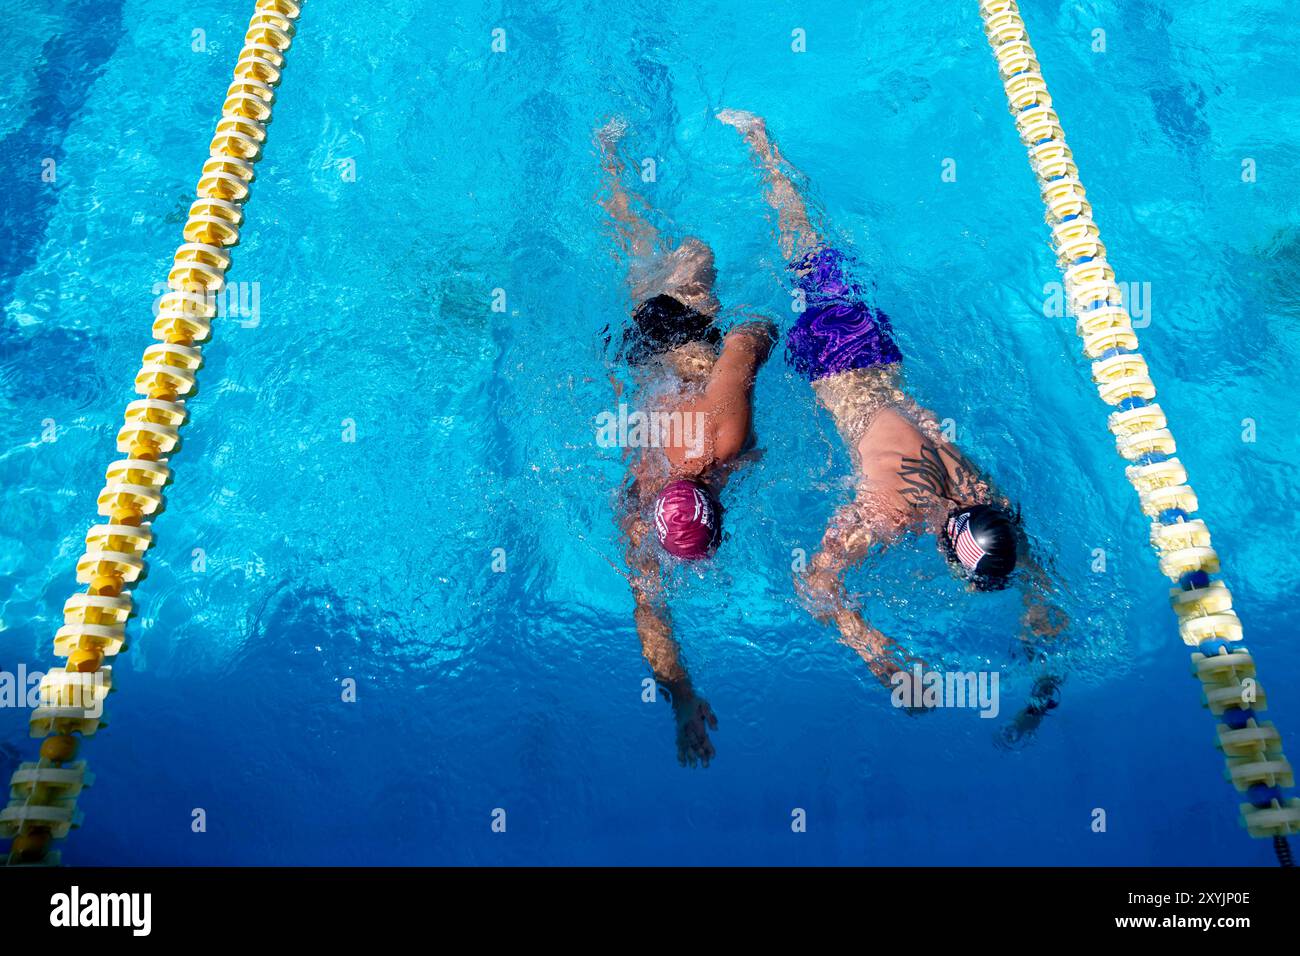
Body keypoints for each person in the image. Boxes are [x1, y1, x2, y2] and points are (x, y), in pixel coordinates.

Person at [717, 109, 1066, 745]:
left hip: (877, 350)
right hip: (830, 358)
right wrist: (879, 656)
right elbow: (813, 583)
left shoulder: (979, 491)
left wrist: (1038, 628)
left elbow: (1026, 556)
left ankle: (766, 149)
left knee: (806, 237)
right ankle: (759, 144)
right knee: (793, 246)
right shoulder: (887, 513)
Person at [597, 119, 776, 765]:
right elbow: (648, 612)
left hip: (678, 335)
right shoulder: (634, 514)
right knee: (638, 255)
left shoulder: (718, 443)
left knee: (691, 251)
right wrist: (679, 701)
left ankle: (611, 154)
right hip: (633, 359)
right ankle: (609, 155)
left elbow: (751, 335)